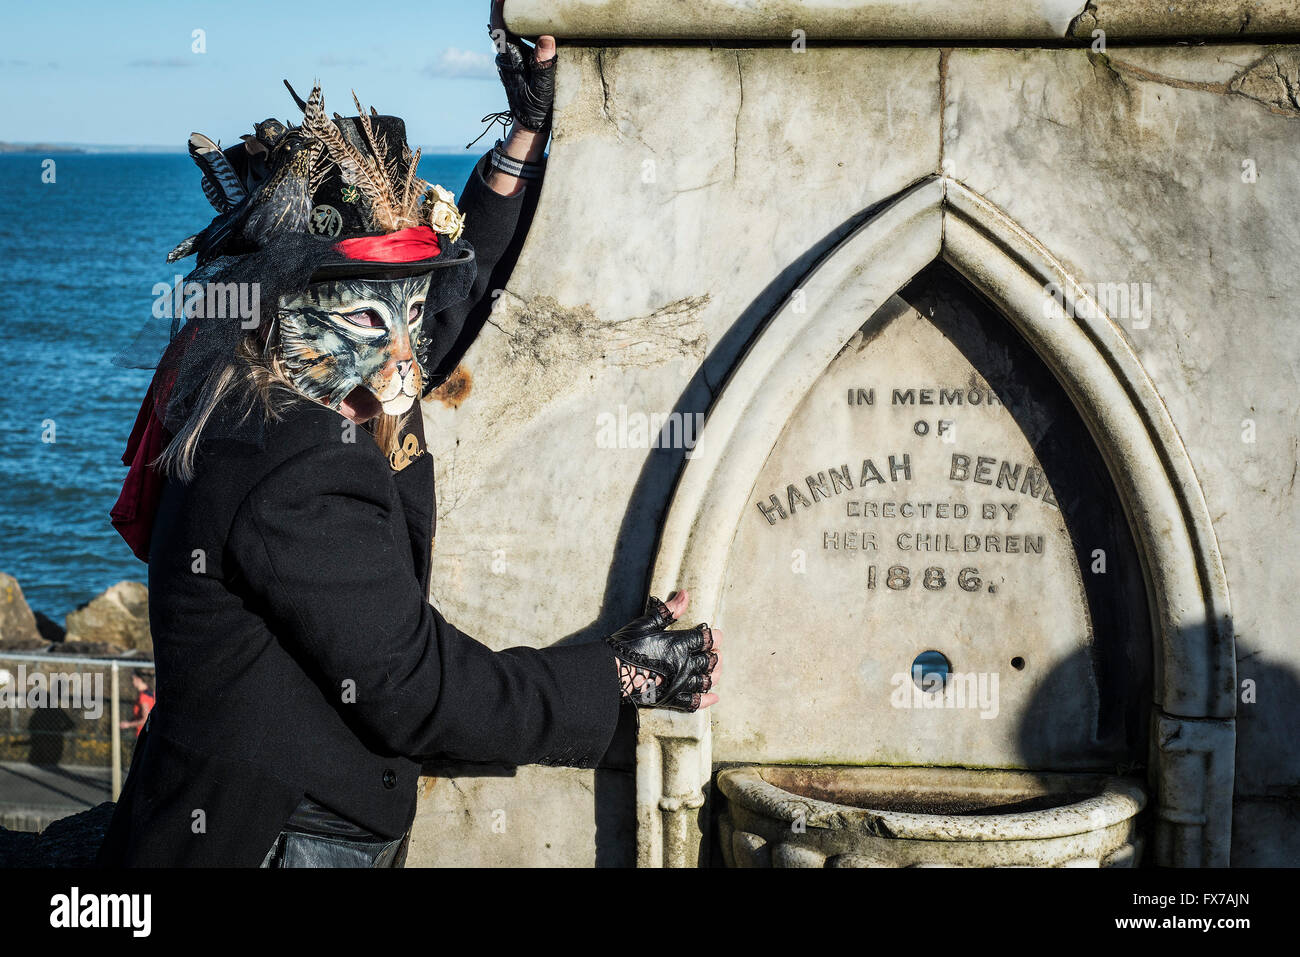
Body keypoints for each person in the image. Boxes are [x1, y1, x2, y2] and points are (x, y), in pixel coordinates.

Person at [98, 5, 721, 868]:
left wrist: (521, 140)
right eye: (368, 308)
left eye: (411, 307)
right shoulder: (290, 461)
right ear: (286, 299)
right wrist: (619, 675)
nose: (404, 354)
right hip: (276, 839)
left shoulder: (282, 366)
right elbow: (419, 689)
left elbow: (443, 306)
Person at [118, 672, 155, 739]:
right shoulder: (152, 693)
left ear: (139, 679)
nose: (132, 682)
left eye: (133, 679)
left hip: (144, 735)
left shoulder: (144, 697)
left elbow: (145, 720)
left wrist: (128, 725)